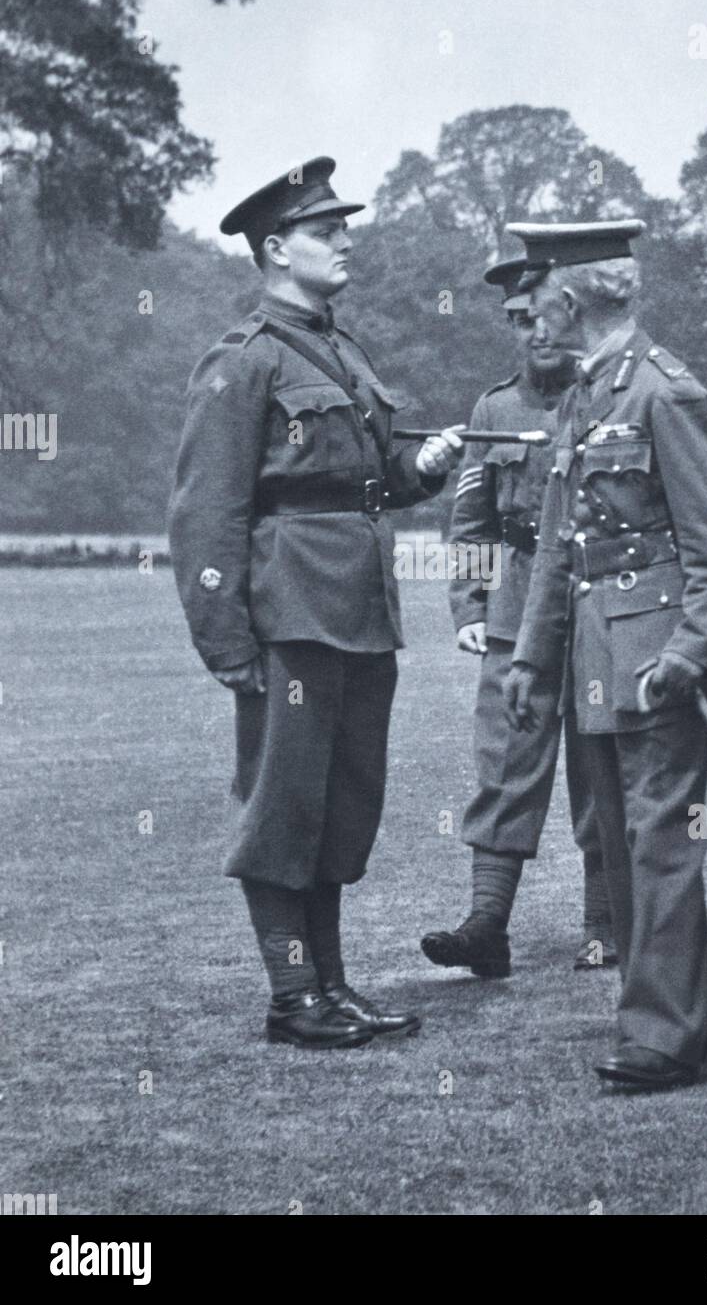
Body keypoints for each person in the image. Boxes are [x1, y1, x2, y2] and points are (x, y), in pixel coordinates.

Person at [169, 157, 463, 1050]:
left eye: (344, 228)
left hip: (361, 609)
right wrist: (227, 644)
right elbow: (206, 510)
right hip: (289, 611)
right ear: (273, 249)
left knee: (341, 803)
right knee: (283, 806)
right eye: (324, 231)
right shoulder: (242, 362)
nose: (344, 241)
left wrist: (421, 471)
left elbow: (359, 487)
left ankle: (332, 986)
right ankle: (292, 994)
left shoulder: (344, 351)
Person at [504, 220, 707, 1089]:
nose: (532, 315)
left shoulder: (665, 392)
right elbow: (557, 547)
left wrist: (690, 653)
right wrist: (532, 664)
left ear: (571, 299)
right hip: (595, 663)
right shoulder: (583, 397)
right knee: (619, 846)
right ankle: (685, 1019)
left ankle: (665, 1035)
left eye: (539, 297)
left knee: (658, 846)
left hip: (657, 664)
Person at [421, 257, 616, 979]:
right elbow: (471, 522)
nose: (532, 334)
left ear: (570, 314)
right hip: (515, 603)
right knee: (504, 764)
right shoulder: (493, 410)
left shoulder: (611, 396)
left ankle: (605, 927)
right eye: (517, 322)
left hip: (598, 599)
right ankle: (486, 926)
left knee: (605, 767)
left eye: (541, 317)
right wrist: (470, 606)